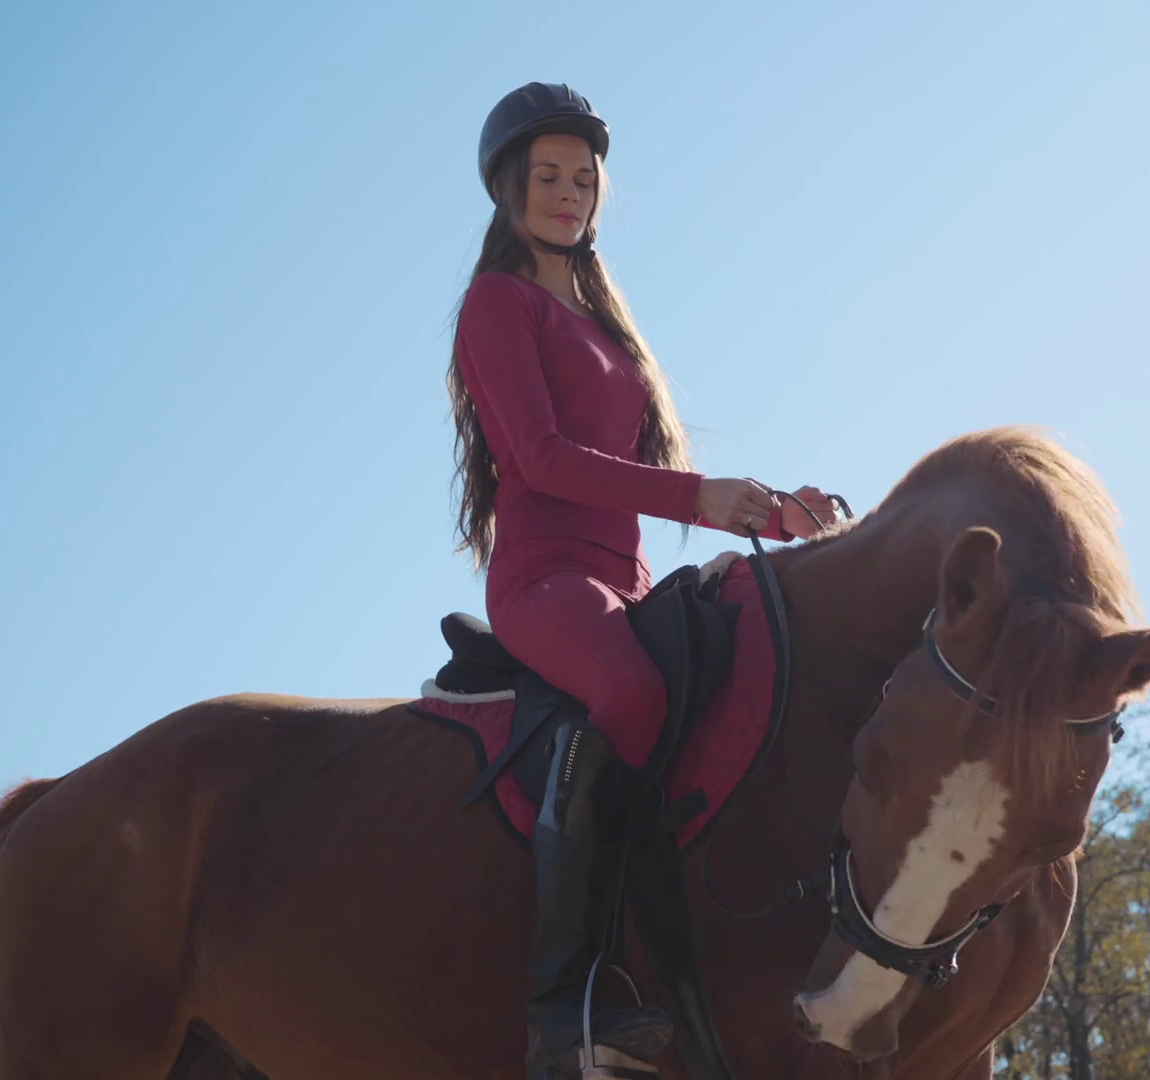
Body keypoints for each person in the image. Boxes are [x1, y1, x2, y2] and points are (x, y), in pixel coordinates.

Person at [448, 82, 834, 1080]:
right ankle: (559, 1004)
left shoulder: (606, 319)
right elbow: (541, 459)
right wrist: (707, 498)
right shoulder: (497, 303)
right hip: (543, 580)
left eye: (584, 179)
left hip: (628, 581)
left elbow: (647, 471)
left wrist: (777, 514)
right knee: (630, 689)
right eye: (548, 177)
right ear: (509, 188)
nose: (568, 194)